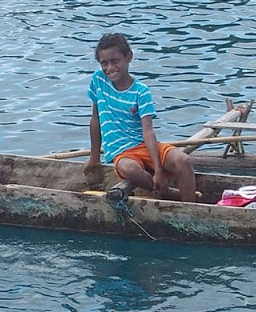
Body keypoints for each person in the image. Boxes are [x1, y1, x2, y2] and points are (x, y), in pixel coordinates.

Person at [84, 33, 201, 203]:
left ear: (128, 57)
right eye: (104, 63)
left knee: (184, 161)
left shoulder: (141, 91)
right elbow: (96, 120)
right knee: (130, 169)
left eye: (115, 61)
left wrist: (159, 170)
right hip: (121, 153)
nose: (110, 68)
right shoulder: (99, 80)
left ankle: (190, 208)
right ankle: (167, 193)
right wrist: (94, 158)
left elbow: (148, 132)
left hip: (144, 145)